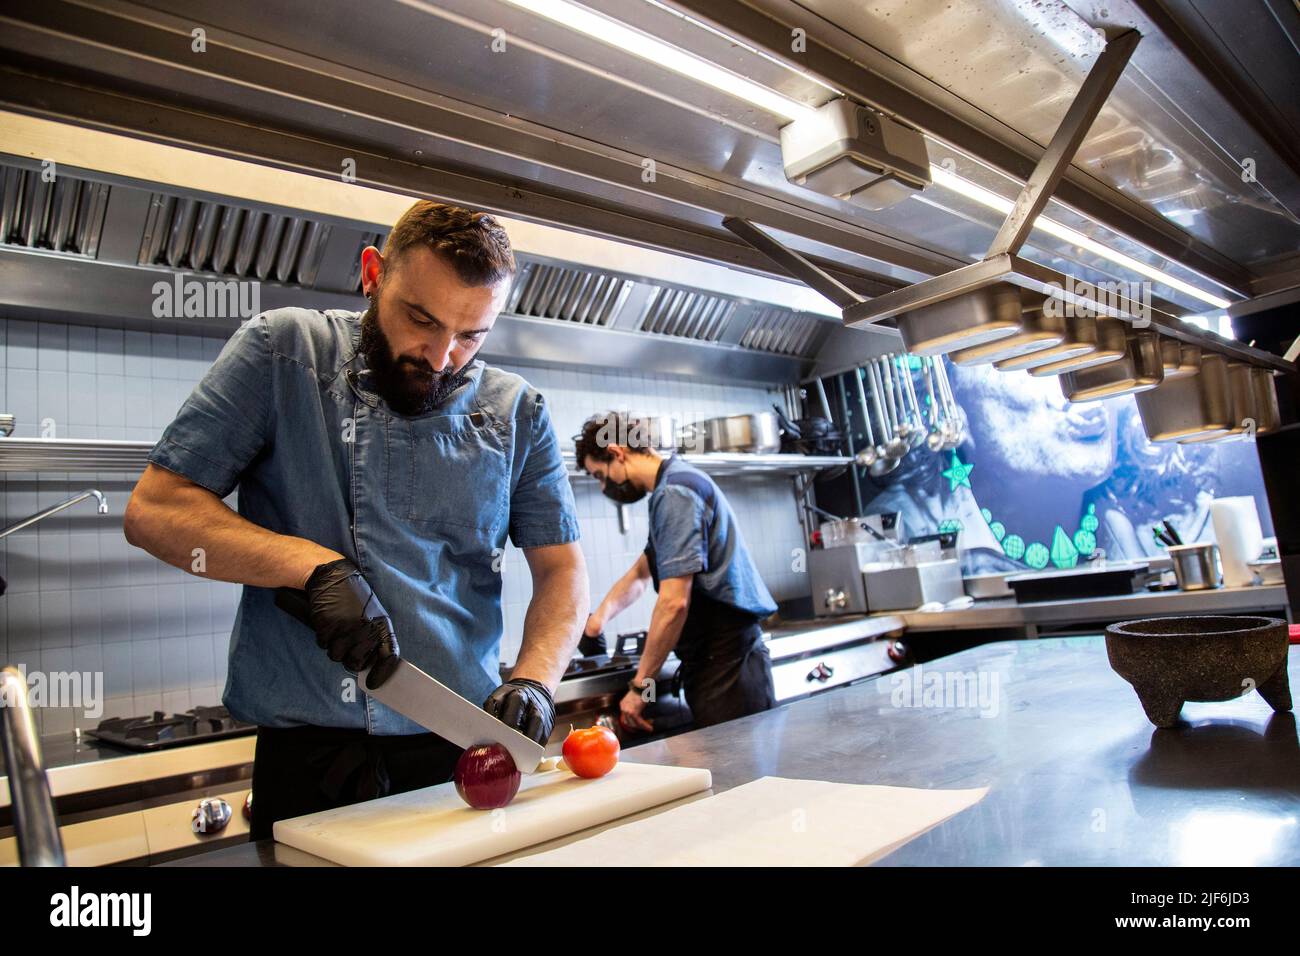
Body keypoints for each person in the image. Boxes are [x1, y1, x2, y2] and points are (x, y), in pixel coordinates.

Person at [124, 201, 588, 838]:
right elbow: (155, 509)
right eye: (420, 319)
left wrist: (535, 681)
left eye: (471, 335)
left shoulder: (517, 411)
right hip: (309, 757)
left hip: (462, 751)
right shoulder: (284, 353)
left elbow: (561, 570)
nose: (441, 354)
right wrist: (311, 567)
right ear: (373, 273)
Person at [574, 413, 777, 732]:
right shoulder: (674, 483)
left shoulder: (674, 494)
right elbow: (642, 573)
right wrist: (597, 622)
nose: (604, 487)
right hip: (716, 664)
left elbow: (674, 604)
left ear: (617, 453)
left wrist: (641, 689)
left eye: (600, 475)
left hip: (728, 668)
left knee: (743, 778)